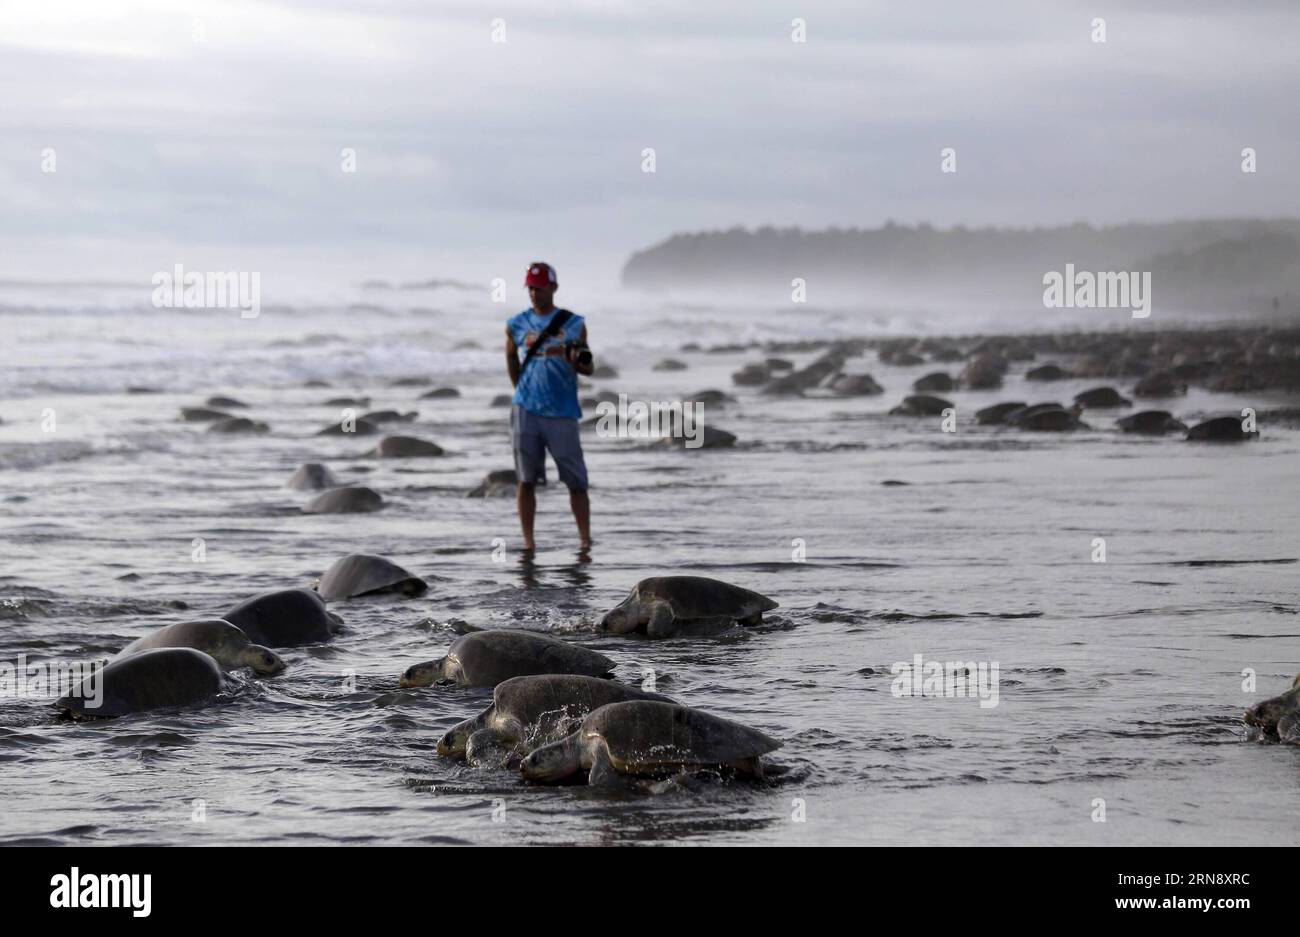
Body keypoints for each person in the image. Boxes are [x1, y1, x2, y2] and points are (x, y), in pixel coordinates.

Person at [505, 262, 594, 552]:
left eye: (539, 287)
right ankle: (528, 542)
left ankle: (584, 540)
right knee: (526, 479)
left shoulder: (573, 323)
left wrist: (571, 358)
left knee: (576, 481)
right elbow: (511, 356)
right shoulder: (516, 323)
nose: (534, 293)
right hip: (525, 410)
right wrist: (519, 387)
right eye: (530, 287)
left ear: (553, 288)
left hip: (562, 412)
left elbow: (588, 366)